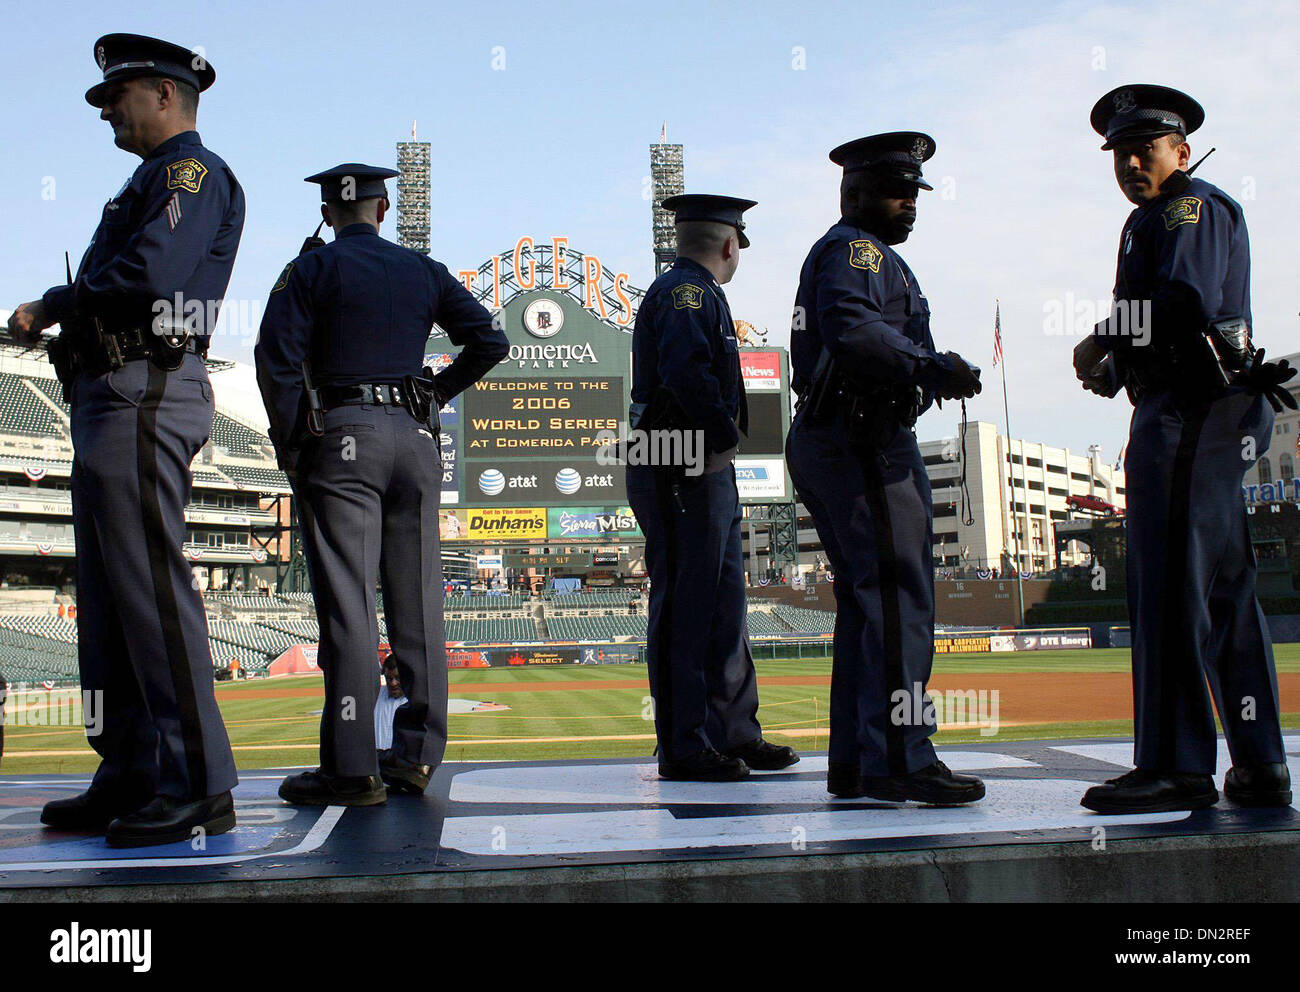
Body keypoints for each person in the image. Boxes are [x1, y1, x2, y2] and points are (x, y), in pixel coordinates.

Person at [7, 34, 242, 846]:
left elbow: (152, 274)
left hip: (146, 384)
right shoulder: (146, 181)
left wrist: (54, 301)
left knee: (148, 589)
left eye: (118, 94)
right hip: (109, 390)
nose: (107, 109)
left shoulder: (190, 173)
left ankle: (199, 781)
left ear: (166, 94)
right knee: (108, 600)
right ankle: (131, 769)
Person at [256, 163, 508, 805]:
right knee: (419, 603)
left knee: (350, 607)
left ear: (327, 213)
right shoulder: (423, 269)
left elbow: (275, 359)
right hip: (415, 440)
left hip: (344, 438)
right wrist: (436, 392)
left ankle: (352, 768)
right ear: (384, 209)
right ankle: (416, 759)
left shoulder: (310, 268)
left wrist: (293, 446)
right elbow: (490, 341)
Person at [1073, 85, 1294, 813]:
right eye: (1120, 153)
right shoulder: (1155, 217)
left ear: (1183, 151)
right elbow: (1169, 313)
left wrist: (1101, 340)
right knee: (1225, 594)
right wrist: (1121, 364)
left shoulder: (1186, 208)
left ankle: (1175, 765)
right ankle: (1259, 765)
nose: (1131, 163)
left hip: (1192, 412)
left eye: (1146, 149)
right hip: (1204, 409)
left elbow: (1184, 300)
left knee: (1168, 587)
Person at [785, 133, 985, 804]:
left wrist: (924, 374)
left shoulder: (865, 254)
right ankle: (900, 758)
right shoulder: (858, 251)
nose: (911, 204)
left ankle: (857, 762)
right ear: (855, 193)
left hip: (842, 435)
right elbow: (854, 331)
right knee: (898, 601)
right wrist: (933, 367)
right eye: (896, 192)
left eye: (914, 192)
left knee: (869, 607)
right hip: (861, 438)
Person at [626, 193, 798, 782]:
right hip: (680, 460)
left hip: (697, 462)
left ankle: (733, 734)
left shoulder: (697, 292)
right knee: (688, 605)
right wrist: (724, 437)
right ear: (730, 244)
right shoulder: (687, 293)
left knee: (725, 606)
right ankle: (684, 745)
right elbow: (686, 375)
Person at [374, 655, 407, 762]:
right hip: (376, 761)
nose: (393, 683)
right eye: (389, 678)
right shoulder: (375, 695)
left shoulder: (415, 701)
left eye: (397, 678)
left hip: (402, 764)